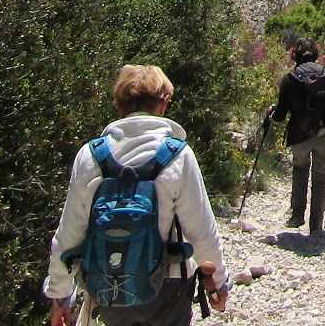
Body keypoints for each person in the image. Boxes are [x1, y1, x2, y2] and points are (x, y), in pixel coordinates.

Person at [45, 64, 231, 326]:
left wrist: (60, 295)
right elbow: (202, 231)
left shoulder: (90, 156)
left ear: (119, 105)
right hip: (168, 289)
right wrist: (219, 283)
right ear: (163, 104)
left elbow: (68, 234)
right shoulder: (178, 155)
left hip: (108, 287)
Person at [269, 38, 325, 234]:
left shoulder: (290, 79)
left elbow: (280, 115)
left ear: (295, 56)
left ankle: (297, 215)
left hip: (299, 135)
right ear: (316, 54)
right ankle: (316, 223)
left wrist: (272, 114)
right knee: (321, 176)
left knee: (300, 170)